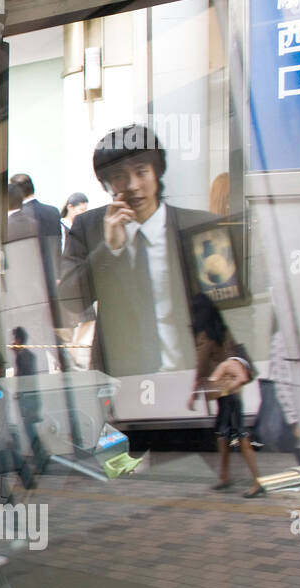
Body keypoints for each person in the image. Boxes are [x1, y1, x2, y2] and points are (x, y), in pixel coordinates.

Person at [59, 124, 224, 377]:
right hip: (122, 384)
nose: (133, 185)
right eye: (119, 177)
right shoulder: (89, 227)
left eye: (141, 172)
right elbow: (70, 300)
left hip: (194, 379)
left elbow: (230, 307)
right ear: (107, 184)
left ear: (156, 173)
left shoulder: (201, 226)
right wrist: (109, 249)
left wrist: (236, 361)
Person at [187, 295, 263, 497]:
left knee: (239, 433)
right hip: (232, 390)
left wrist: (193, 392)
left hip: (225, 391)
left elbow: (201, 365)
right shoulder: (222, 330)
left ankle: (257, 481)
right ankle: (224, 475)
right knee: (223, 433)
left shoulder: (205, 335)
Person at [9, 173, 61, 281]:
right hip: (54, 275)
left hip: (32, 278)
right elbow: (57, 245)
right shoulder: (53, 211)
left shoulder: (20, 217)